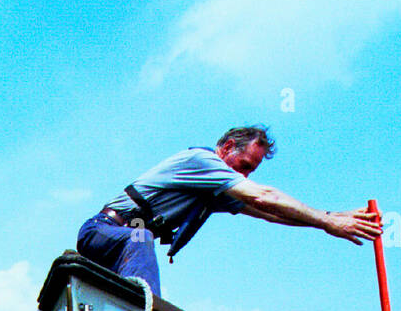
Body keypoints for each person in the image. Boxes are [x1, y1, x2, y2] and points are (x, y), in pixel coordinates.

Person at [76, 125, 383, 296]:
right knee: (140, 238)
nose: (245, 177)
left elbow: (268, 213)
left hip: (126, 249)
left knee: (139, 241)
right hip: (103, 232)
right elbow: (263, 197)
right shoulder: (201, 162)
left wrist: (332, 218)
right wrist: (328, 222)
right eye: (245, 166)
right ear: (227, 147)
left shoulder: (213, 192)